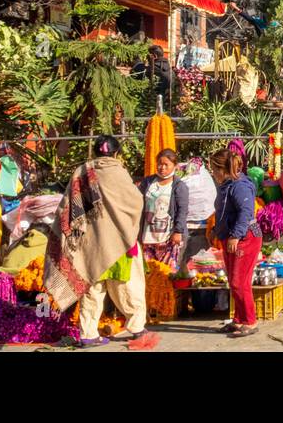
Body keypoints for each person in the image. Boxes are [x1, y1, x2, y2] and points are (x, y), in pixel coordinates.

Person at [45, 135, 147, 348]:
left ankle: (88, 334)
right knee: (126, 285)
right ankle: (137, 328)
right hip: (120, 240)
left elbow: (69, 208)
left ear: (96, 151)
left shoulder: (82, 173)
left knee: (92, 287)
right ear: (116, 153)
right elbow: (136, 202)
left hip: (91, 244)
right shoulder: (119, 172)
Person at [210, 141, 262, 338]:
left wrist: (235, 235)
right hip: (231, 237)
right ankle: (239, 319)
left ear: (223, 169)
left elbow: (246, 212)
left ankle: (250, 321)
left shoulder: (240, 186)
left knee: (240, 282)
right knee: (233, 281)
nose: (213, 173)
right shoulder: (225, 185)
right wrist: (217, 230)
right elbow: (223, 211)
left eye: (215, 169)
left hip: (245, 237)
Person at [139, 148, 188, 268]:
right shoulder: (148, 182)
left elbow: (182, 210)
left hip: (168, 238)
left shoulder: (179, 186)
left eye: (166, 164)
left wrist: (178, 231)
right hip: (148, 237)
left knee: (166, 274)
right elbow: (138, 203)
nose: (162, 167)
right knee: (149, 274)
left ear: (175, 166)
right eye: (160, 164)